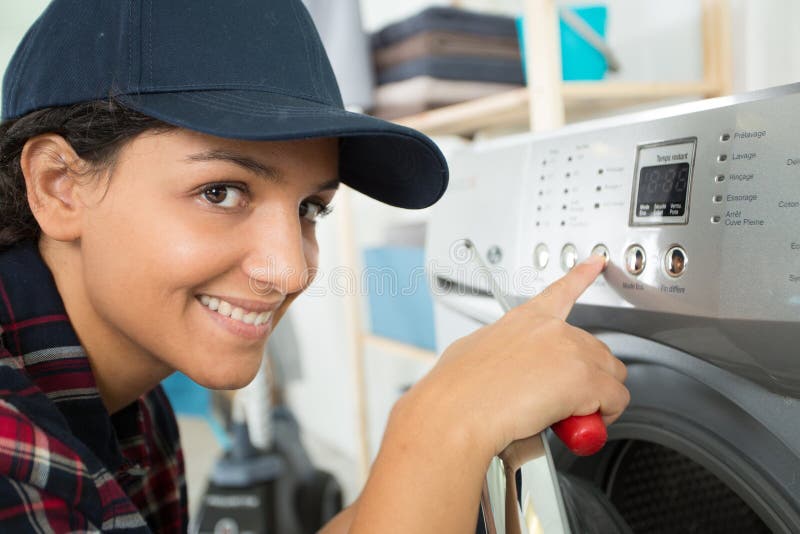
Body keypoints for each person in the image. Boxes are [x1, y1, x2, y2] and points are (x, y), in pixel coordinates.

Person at [0, 1, 629, 532]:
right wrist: (439, 429)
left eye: (310, 208)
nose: (291, 270)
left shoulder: (133, 395)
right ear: (59, 186)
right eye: (221, 191)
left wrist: (439, 443)